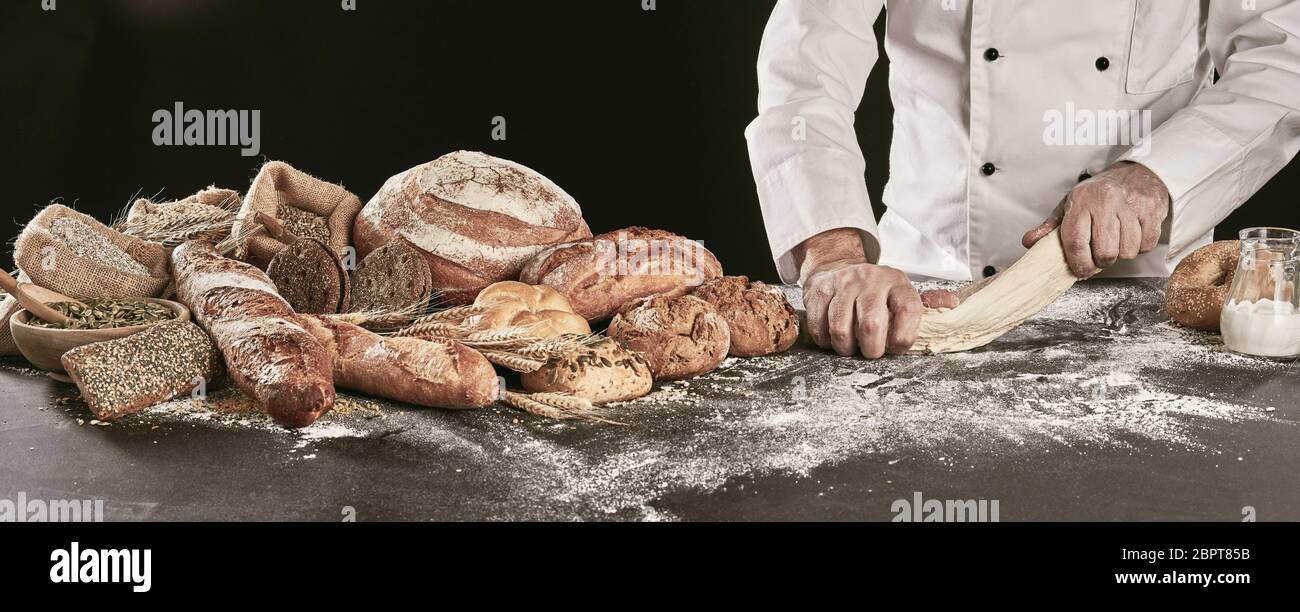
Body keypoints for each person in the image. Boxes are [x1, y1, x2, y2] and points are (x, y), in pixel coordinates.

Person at [746, 0, 1300, 358]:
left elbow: (1285, 56)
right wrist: (834, 253)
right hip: (919, 286)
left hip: (1144, 298)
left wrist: (1153, 178)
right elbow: (804, 63)